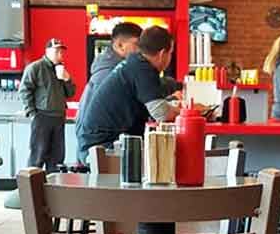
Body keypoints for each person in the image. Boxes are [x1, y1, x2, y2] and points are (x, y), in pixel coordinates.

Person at [76, 25, 179, 161]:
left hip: (96, 143)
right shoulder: (142, 69)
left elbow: (156, 93)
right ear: (162, 54)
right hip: (102, 148)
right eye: (170, 53)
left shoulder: (136, 63)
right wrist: (190, 112)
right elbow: (161, 113)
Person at [18, 38, 76, 173]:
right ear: (47, 51)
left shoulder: (61, 69)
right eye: (57, 51)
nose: (60, 54)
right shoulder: (35, 67)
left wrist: (67, 79)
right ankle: (31, 185)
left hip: (59, 117)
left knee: (57, 158)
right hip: (42, 116)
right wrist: (32, 113)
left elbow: (70, 93)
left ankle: (53, 185)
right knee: (37, 156)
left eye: (61, 51)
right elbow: (24, 90)